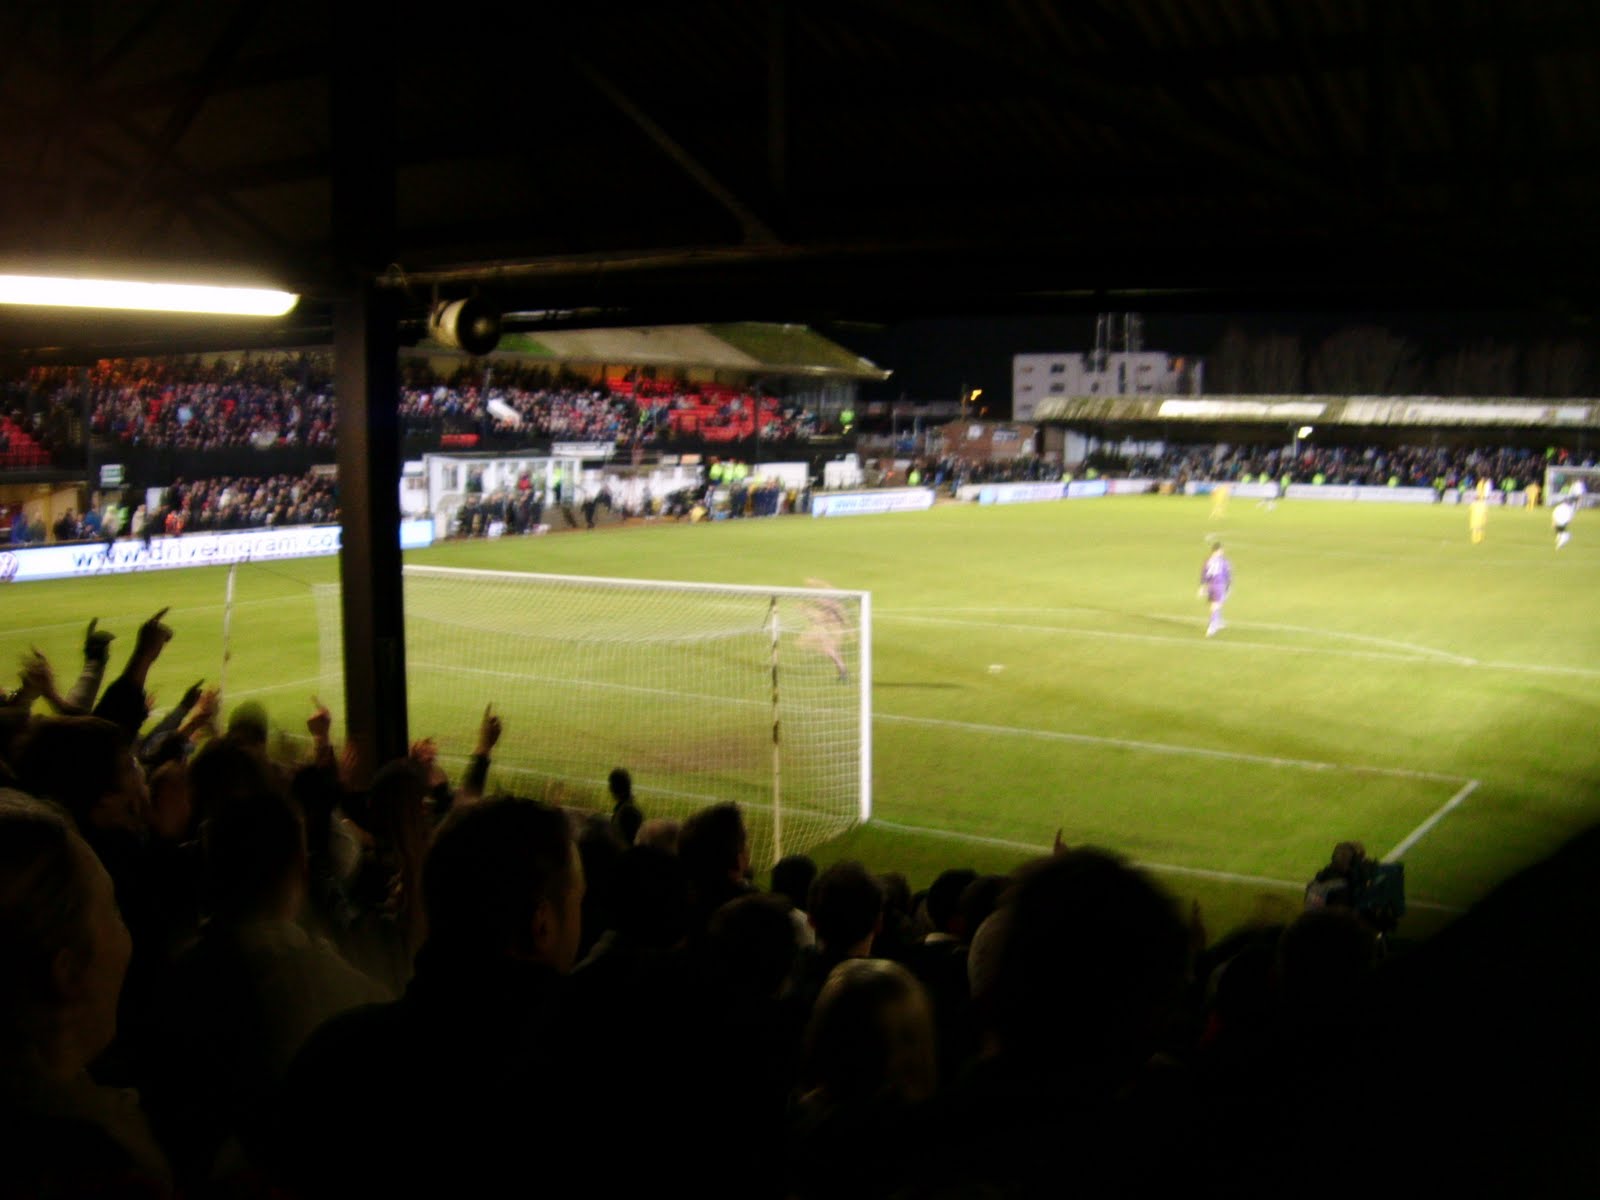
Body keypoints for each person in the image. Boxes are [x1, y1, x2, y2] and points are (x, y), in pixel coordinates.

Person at [799, 577, 850, 682]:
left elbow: (823, 618)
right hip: (830, 630)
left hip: (833, 631)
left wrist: (813, 584)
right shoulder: (831, 606)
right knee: (832, 652)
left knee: (831, 651)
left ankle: (843, 672)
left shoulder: (833, 606)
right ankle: (843, 672)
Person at [1199, 541, 1232, 637]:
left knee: (1216, 603)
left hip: (1210, 585)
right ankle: (1212, 625)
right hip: (1219, 585)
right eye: (1221, 550)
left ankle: (1219, 621)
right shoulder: (1223, 561)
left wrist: (1202, 586)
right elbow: (1227, 574)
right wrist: (1228, 585)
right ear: (1219, 550)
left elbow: (1203, 574)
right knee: (1215, 605)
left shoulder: (1207, 560)